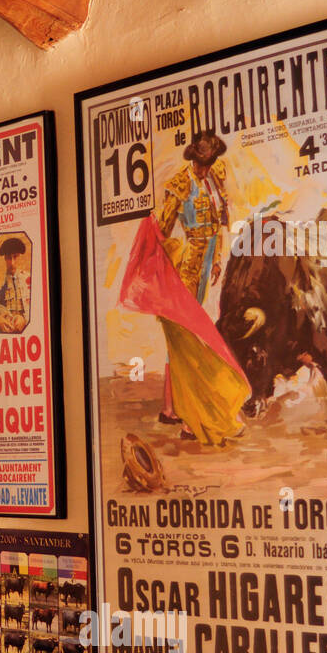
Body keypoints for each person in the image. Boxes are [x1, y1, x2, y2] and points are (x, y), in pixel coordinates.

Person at [117, 128, 249, 446]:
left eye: (210, 162)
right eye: (202, 162)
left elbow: (218, 222)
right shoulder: (179, 184)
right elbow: (162, 228)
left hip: (204, 268)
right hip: (187, 267)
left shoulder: (213, 178)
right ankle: (190, 418)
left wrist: (216, 260)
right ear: (194, 159)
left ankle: (169, 407)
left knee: (184, 338)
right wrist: (167, 266)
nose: (206, 167)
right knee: (187, 338)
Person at [0, 237, 31, 333]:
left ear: (20, 257)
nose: (12, 263)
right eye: (9, 258)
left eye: (15, 257)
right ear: (5, 259)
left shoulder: (28, 279)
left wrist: (25, 320)